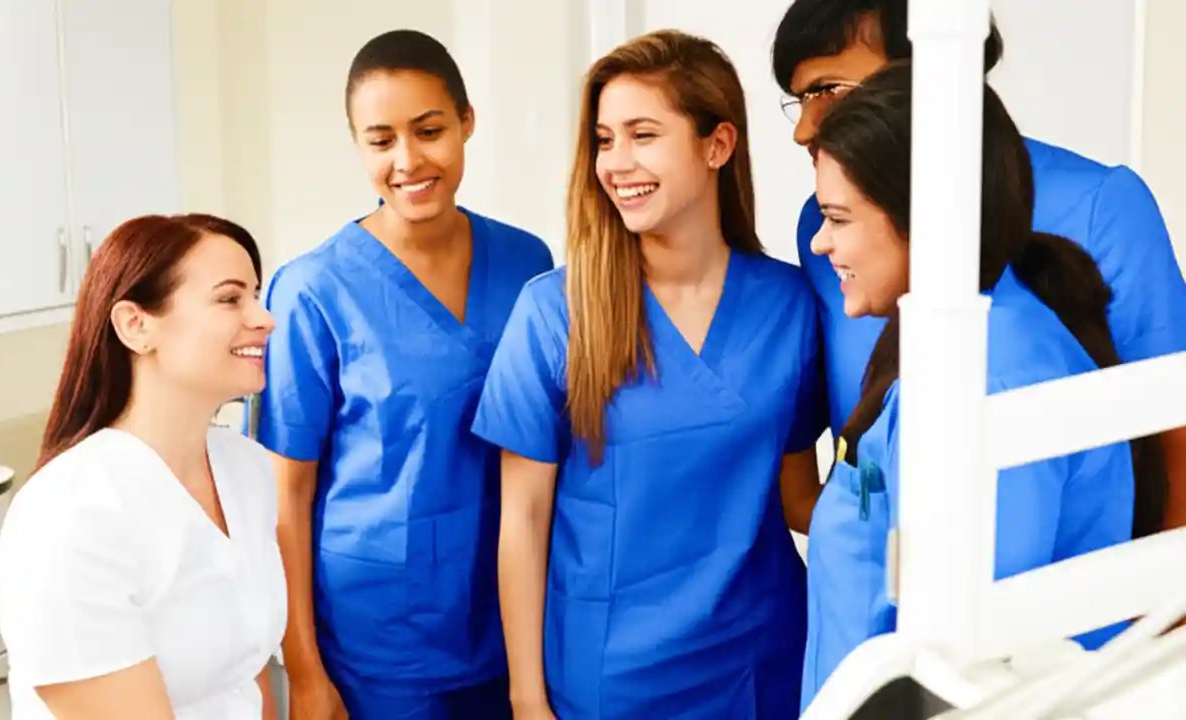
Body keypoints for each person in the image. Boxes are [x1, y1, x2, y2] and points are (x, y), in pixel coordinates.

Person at [472, 29, 827, 720]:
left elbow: (798, 497)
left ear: (716, 145)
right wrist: (525, 699)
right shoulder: (555, 313)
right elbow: (524, 516)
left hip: (759, 664)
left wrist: (916, 529)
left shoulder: (789, 306)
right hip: (611, 676)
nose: (617, 162)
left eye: (642, 134)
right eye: (605, 139)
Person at [801, 62, 1156, 707]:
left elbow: (971, 668)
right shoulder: (951, 342)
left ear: (924, 216)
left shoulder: (992, 377)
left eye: (839, 217)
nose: (821, 242)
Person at [772, 0, 1186, 535]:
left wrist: (1161, 608)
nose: (803, 129)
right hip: (879, 579)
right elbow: (851, 436)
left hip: (1047, 582)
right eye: (798, 99)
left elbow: (1173, 426)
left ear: (938, 70)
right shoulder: (823, 228)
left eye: (826, 91)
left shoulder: (1099, 204)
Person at [253, 29, 554, 720]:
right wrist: (302, 669)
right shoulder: (312, 290)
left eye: (429, 130)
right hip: (377, 644)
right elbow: (286, 495)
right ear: (357, 144)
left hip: (511, 620)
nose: (409, 160)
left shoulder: (526, 264)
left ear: (466, 122)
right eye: (381, 139)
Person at [0, 214, 285, 720]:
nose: (265, 318)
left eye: (255, 295)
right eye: (229, 298)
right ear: (136, 325)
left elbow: (247, 673)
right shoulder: (72, 510)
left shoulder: (246, 468)